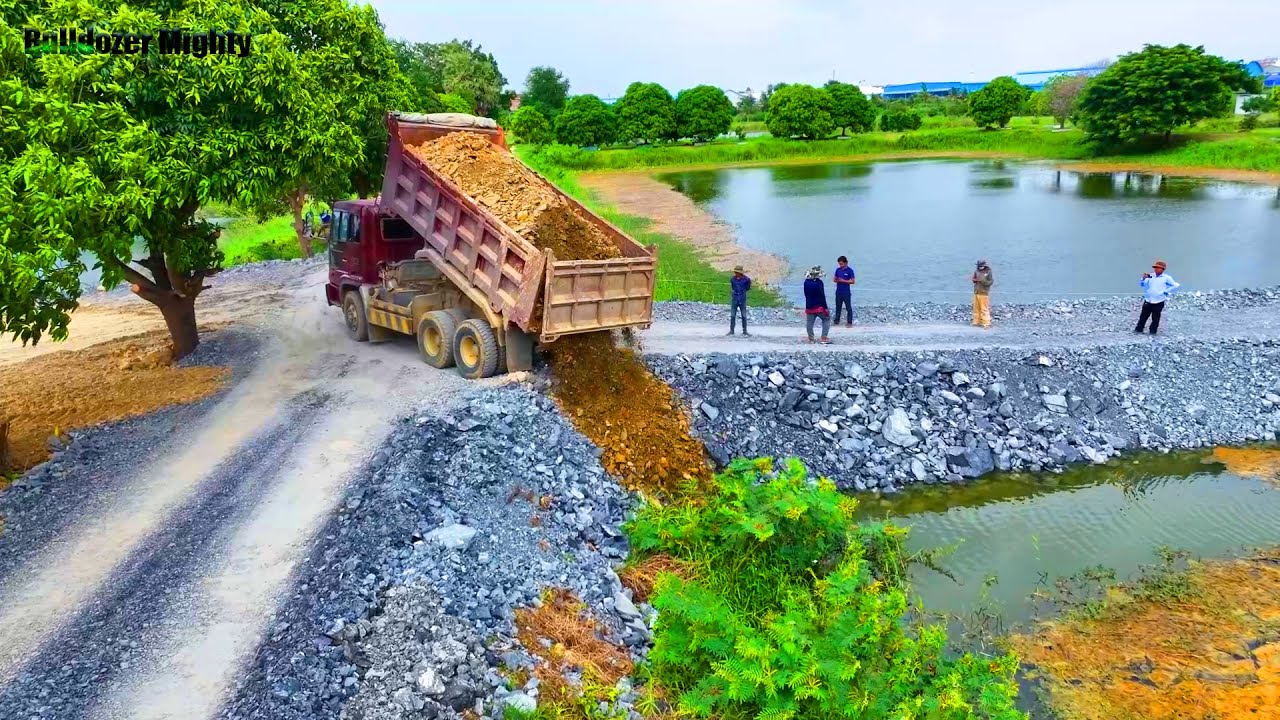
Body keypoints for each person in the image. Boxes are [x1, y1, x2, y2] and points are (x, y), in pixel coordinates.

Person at [1135, 259, 1179, 335]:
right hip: (1148, 300)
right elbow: (1142, 284)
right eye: (1155, 267)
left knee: (1155, 318)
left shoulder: (1166, 278)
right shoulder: (1150, 276)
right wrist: (1143, 278)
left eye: (1158, 268)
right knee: (1143, 316)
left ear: (1163, 269)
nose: (1156, 269)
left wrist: (1165, 291)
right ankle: (1139, 329)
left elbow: (1175, 285)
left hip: (1159, 301)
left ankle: (1153, 331)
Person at [803, 266, 832, 344]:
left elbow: (806, 294)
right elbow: (822, 295)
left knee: (809, 322)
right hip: (819, 307)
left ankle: (811, 338)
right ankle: (824, 337)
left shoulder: (806, 282)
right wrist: (825, 307)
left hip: (809, 306)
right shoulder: (819, 283)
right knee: (826, 319)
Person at [832, 256, 856, 327]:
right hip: (838, 292)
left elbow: (853, 281)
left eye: (842, 264)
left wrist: (843, 280)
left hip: (846, 292)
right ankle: (836, 321)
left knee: (848, 307)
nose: (840, 265)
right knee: (838, 307)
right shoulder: (838, 270)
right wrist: (836, 279)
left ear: (846, 263)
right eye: (839, 264)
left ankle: (849, 322)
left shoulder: (850, 271)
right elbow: (834, 279)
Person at [728, 265, 751, 337]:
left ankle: (745, 331)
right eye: (735, 272)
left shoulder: (746, 280)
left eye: (736, 272)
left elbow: (748, 288)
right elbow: (733, 287)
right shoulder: (732, 279)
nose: (735, 273)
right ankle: (731, 331)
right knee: (732, 315)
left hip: (742, 299)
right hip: (734, 299)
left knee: (744, 315)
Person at [971, 260, 994, 328]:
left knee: (984, 309)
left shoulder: (988, 272)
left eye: (981, 266)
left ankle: (986, 323)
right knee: (976, 308)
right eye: (979, 266)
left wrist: (982, 280)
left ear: (984, 265)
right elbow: (974, 279)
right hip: (976, 292)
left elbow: (990, 282)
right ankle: (976, 321)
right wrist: (974, 280)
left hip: (984, 293)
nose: (980, 267)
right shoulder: (976, 271)